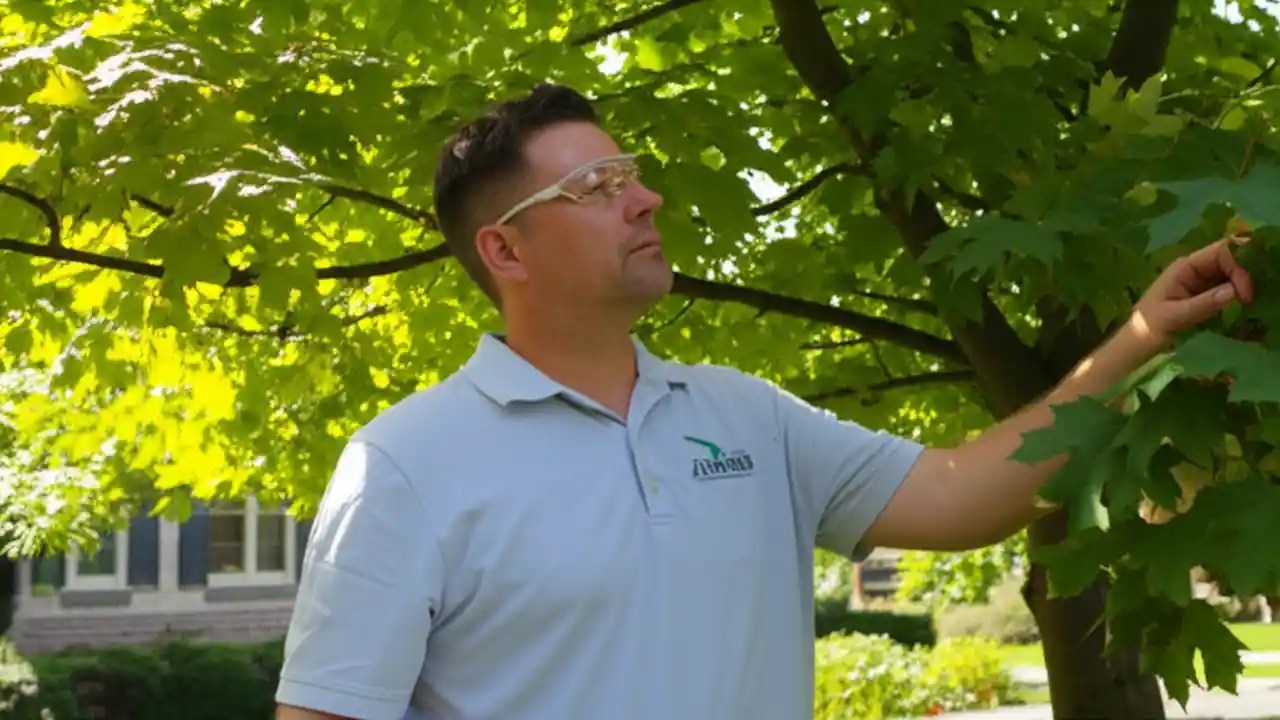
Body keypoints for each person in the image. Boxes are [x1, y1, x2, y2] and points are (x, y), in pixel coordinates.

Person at [273, 84, 1253, 720]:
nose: (645, 199)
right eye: (598, 184)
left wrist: (1141, 335)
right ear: (504, 249)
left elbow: (962, 491)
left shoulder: (745, 416)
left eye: (635, 175)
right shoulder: (401, 465)